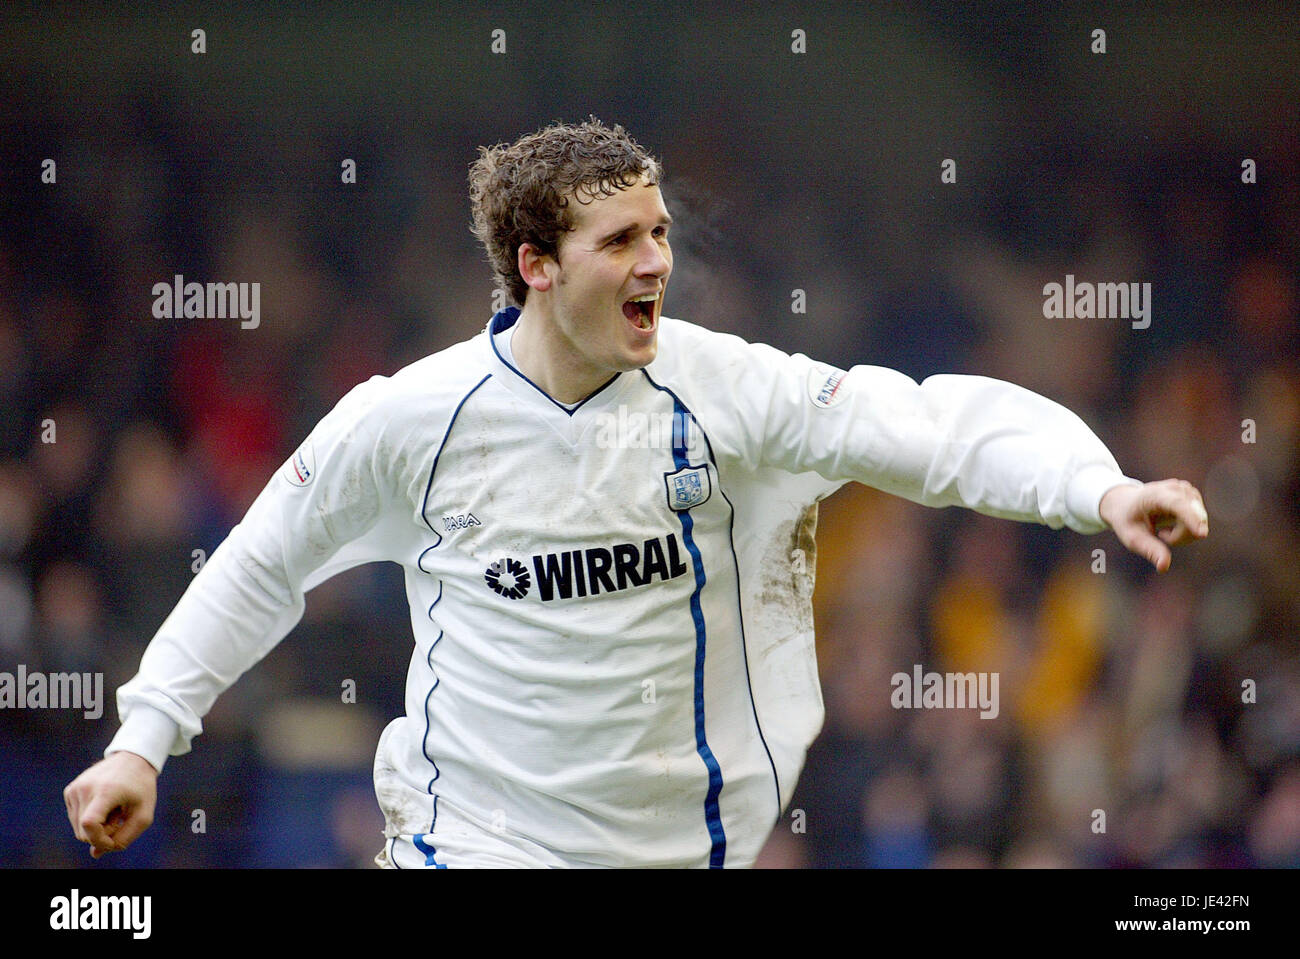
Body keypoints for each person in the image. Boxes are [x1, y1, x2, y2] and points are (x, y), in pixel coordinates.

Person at [64, 118, 1210, 868]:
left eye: (660, 230)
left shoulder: (727, 388)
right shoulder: (407, 419)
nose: (658, 258)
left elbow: (922, 423)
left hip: (685, 847)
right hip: (470, 842)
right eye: (622, 238)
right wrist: (142, 740)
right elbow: (260, 566)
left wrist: (1090, 484)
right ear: (536, 265)